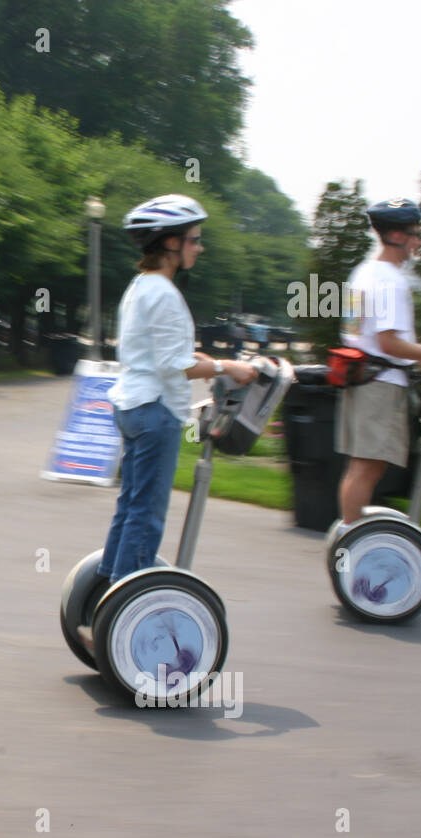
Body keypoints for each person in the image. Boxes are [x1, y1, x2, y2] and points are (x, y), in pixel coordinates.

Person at [98, 194, 258, 581]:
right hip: (156, 411)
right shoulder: (166, 295)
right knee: (148, 513)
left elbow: (156, 350)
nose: (199, 248)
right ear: (171, 243)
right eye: (194, 239)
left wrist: (200, 358)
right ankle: (124, 605)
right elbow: (175, 364)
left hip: (133, 406)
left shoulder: (141, 286)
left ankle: (105, 591)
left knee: (130, 505)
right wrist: (227, 365)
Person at [336, 198, 421, 526]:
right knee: (366, 468)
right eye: (415, 234)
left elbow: (365, 335)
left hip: (363, 377)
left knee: (364, 467)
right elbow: (389, 342)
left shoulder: (365, 271)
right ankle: (353, 542)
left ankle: (351, 537)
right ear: (396, 236)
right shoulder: (389, 280)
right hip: (379, 384)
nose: (419, 242)